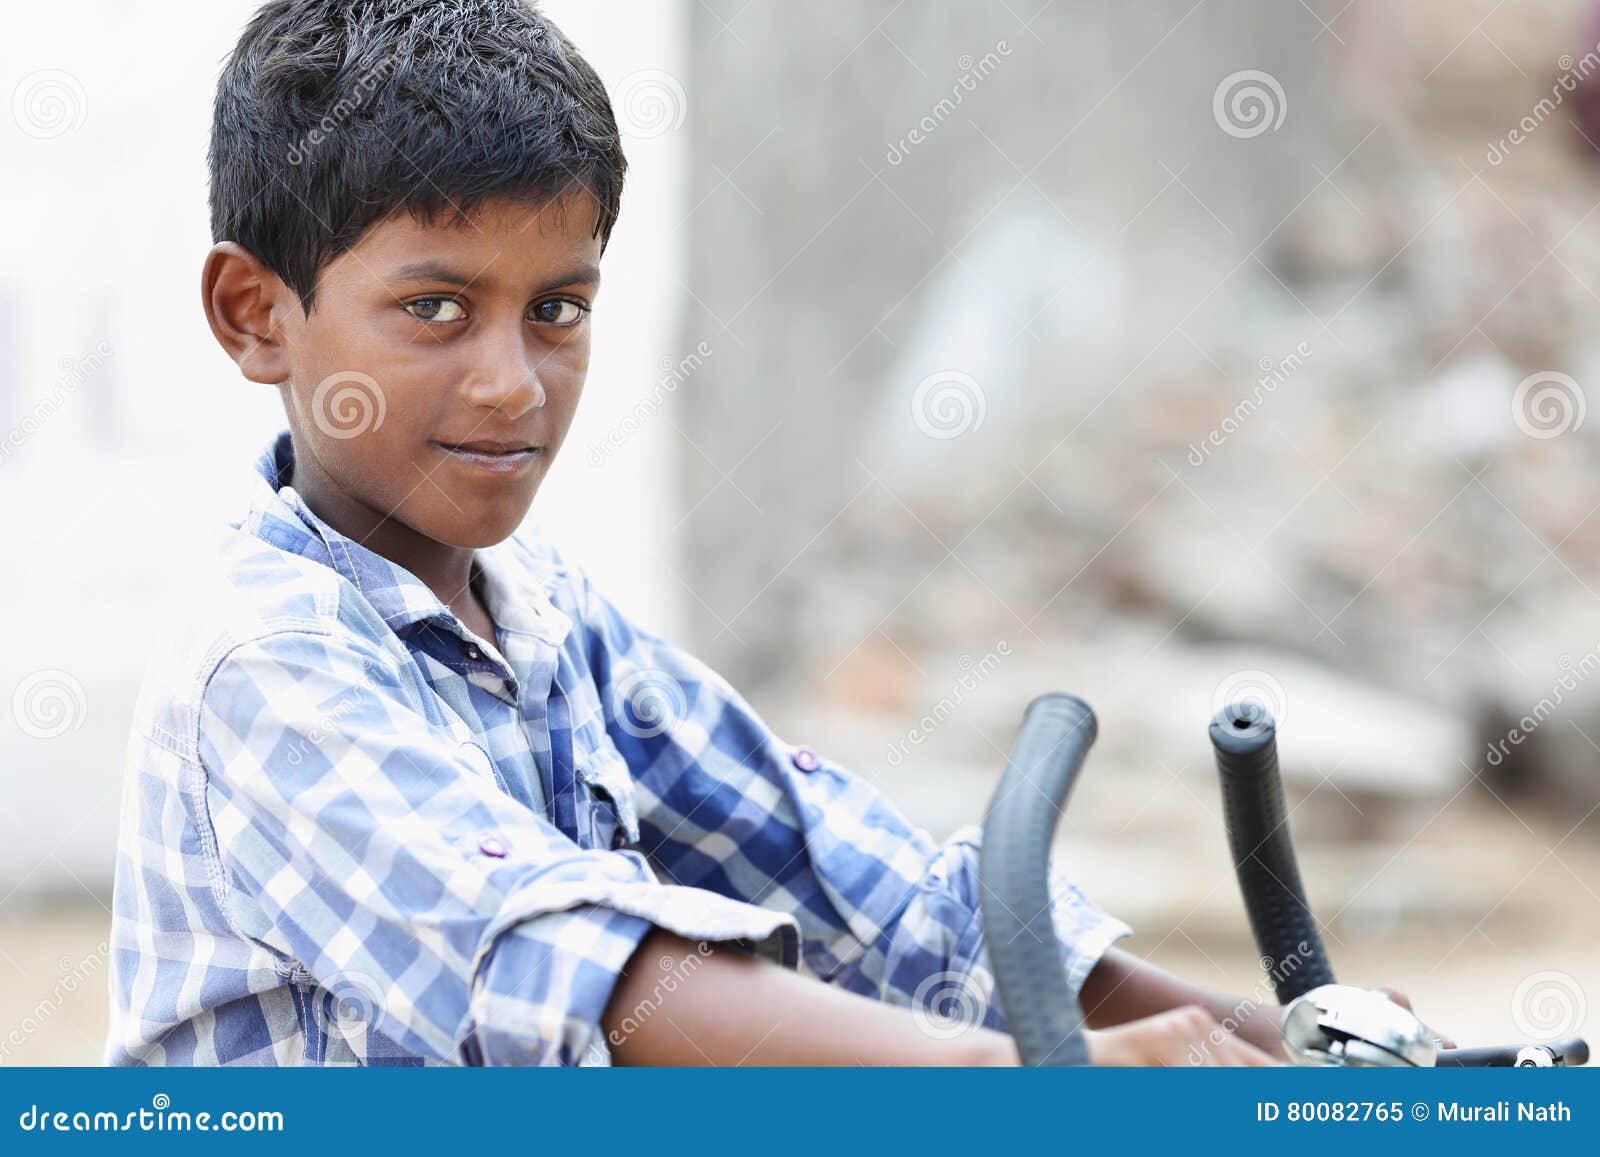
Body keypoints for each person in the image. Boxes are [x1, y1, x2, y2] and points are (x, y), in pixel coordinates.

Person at [106, 0, 1417, 1066]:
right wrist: (1018, 1075)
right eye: (439, 309)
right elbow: (580, 972)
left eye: (557, 308)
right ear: (256, 315)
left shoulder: (551, 625)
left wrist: (1321, 1050)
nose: (512, 380)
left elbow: (891, 905)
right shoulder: (267, 666)